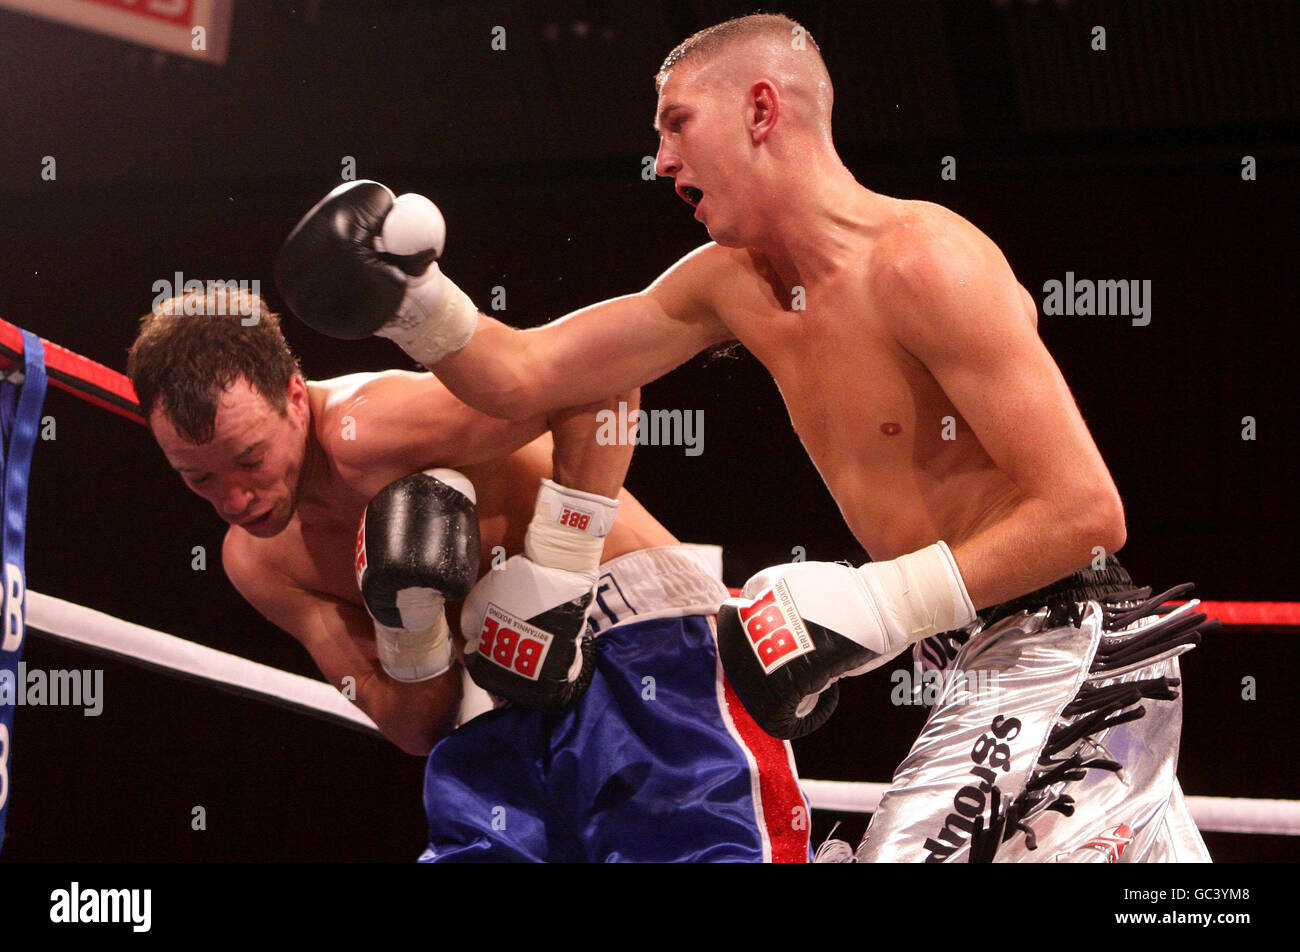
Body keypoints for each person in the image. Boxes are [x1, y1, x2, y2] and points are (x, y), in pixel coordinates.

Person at [274, 13, 1213, 861]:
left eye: (676, 123)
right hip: (972, 658)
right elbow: (527, 375)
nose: (660, 160)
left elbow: (1088, 514)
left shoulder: (926, 263)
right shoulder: (729, 282)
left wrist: (875, 605)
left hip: (1068, 641)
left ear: (761, 109)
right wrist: (414, 304)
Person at [126, 287, 808, 862]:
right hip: (487, 708)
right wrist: (411, 636)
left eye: (249, 458)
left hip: (631, 639)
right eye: (199, 479)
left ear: (296, 397)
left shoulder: (379, 428)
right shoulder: (257, 562)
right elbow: (410, 728)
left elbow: (608, 376)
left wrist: (558, 571)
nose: (235, 498)